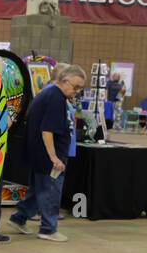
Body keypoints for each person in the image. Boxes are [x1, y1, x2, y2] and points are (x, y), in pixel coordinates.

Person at [7, 63, 87, 243]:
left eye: (80, 88)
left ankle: (19, 218)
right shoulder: (55, 98)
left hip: (40, 155)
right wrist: (54, 157)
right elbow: (47, 130)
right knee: (50, 192)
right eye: (76, 87)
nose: (77, 91)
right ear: (65, 81)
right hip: (49, 156)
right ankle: (48, 229)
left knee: (38, 190)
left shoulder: (48, 94)